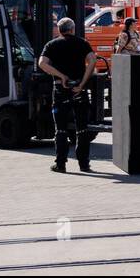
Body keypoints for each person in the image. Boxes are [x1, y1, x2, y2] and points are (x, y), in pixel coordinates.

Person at [38, 17, 97, 173]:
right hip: (78, 90)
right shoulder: (82, 43)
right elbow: (92, 60)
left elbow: (42, 63)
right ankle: (84, 164)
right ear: (72, 29)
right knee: (82, 128)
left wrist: (61, 76)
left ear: (59, 29)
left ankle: (61, 164)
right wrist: (82, 83)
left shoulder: (52, 44)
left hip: (60, 90)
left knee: (61, 128)